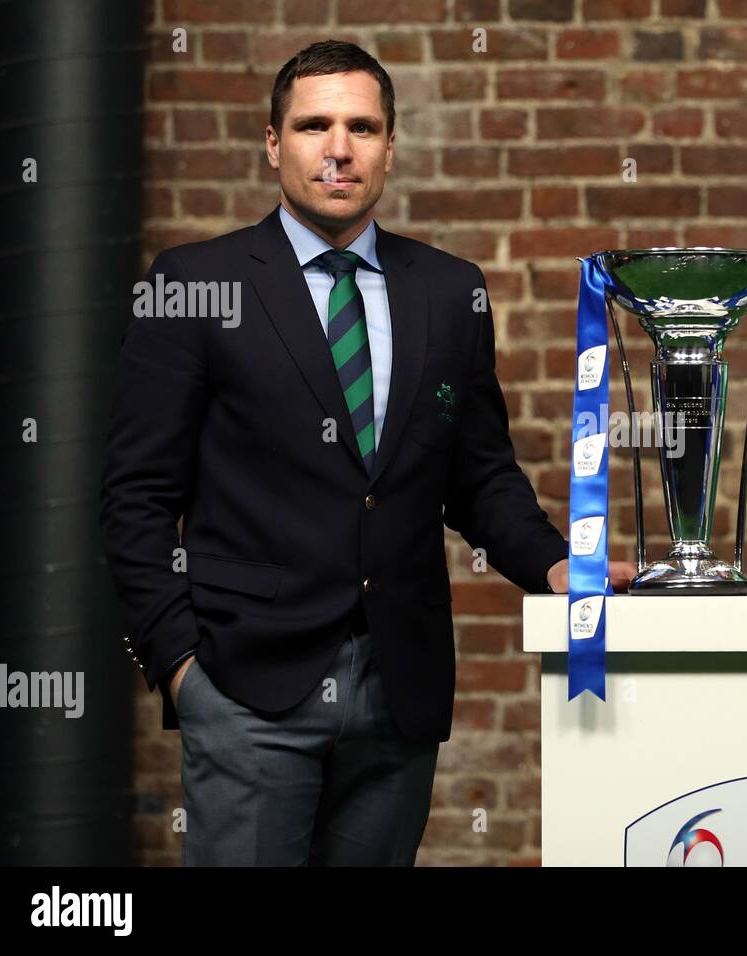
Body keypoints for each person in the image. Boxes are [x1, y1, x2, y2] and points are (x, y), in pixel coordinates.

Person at [99, 39, 634, 866]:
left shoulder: (450, 292)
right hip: (246, 692)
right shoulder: (195, 286)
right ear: (274, 144)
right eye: (314, 125)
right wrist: (181, 671)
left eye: (362, 126)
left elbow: (479, 475)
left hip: (399, 692)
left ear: (390, 145)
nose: (338, 148)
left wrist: (557, 566)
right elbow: (135, 497)